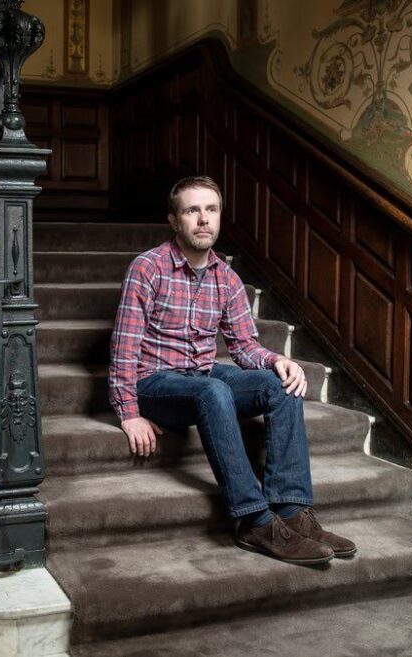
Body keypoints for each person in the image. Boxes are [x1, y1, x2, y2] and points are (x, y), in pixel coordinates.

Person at [108, 175, 355, 565]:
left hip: (201, 375)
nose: (203, 219)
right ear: (175, 221)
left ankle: (291, 511)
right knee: (213, 390)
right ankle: (254, 519)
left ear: (220, 217)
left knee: (280, 385)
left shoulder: (228, 278)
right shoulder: (149, 269)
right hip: (154, 383)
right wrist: (129, 413)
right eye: (192, 210)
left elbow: (243, 347)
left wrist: (278, 360)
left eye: (211, 209)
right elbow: (124, 347)